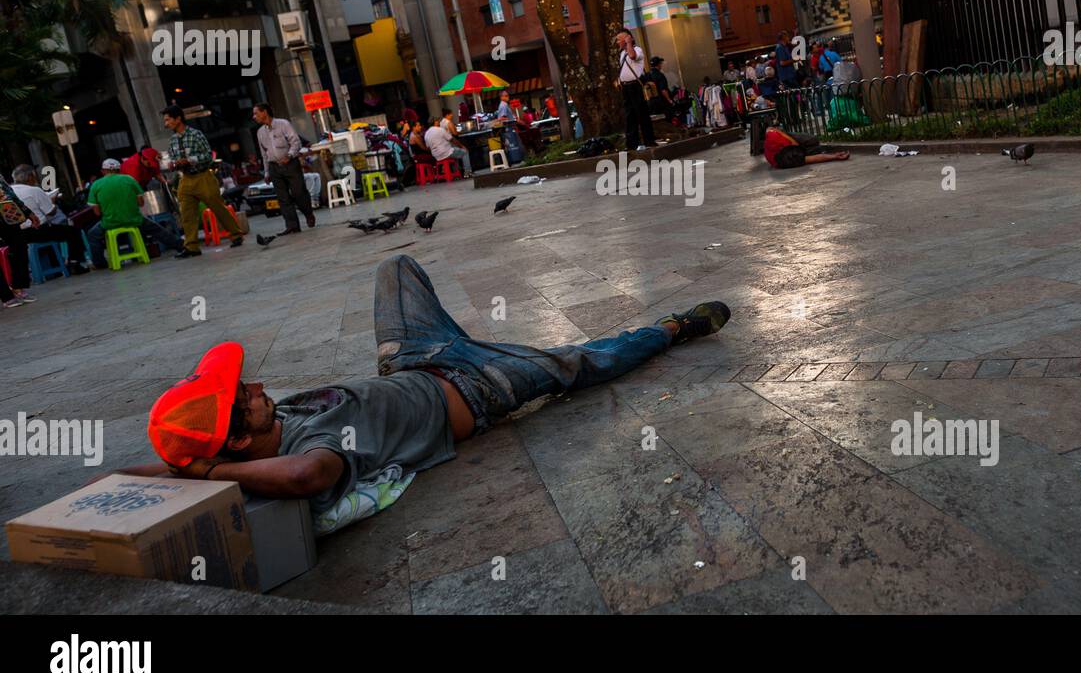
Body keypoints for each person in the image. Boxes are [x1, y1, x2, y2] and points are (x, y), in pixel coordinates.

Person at [121, 256, 731, 521]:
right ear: (233, 441)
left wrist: (184, 466)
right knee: (584, 361)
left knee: (395, 267)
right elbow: (308, 478)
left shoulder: (269, 427)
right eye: (244, 397)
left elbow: (140, 472)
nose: (256, 386)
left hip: (414, 358)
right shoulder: (307, 451)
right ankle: (673, 328)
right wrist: (208, 474)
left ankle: (451, 334)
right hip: (480, 386)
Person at [162, 105, 246, 259]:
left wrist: (189, 160)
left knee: (217, 207)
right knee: (186, 213)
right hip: (185, 178)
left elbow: (208, 156)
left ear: (178, 119)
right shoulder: (173, 140)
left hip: (203, 176)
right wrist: (173, 164)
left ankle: (236, 235)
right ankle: (191, 246)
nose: (166, 124)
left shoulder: (196, 134)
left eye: (168, 120)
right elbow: (172, 158)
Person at [86, 158, 185, 267]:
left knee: (92, 235)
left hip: (110, 222)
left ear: (103, 171)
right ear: (119, 170)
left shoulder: (96, 185)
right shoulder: (129, 179)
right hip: (134, 219)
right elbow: (141, 203)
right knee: (157, 229)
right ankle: (180, 245)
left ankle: (100, 264)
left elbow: (97, 213)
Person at [8, 165, 90, 274]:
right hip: (38, 231)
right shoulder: (34, 190)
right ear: (29, 177)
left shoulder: (8, 191)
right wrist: (52, 201)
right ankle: (74, 263)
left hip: (18, 235)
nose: (36, 179)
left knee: (53, 231)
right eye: (34, 176)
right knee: (73, 232)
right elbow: (51, 212)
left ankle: (55, 266)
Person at [253, 102, 315, 236]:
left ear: (264, 112)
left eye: (256, 113)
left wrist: (289, 155)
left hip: (290, 164)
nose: (254, 117)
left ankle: (308, 213)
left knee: (299, 193)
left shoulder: (283, 124)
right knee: (283, 198)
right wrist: (267, 172)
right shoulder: (260, 132)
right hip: (274, 167)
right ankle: (292, 226)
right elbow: (264, 154)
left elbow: (296, 142)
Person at [0, 176, 41, 307]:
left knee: (20, 248)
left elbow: (10, 193)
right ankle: (5, 296)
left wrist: (28, 213)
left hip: (7, 214)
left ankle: (19, 287)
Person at [615, 28, 656, 151]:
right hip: (626, 87)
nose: (617, 42)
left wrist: (629, 43)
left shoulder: (637, 50)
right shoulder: (622, 54)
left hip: (635, 86)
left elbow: (633, 56)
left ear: (627, 39)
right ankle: (632, 143)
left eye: (619, 39)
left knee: (642, 114)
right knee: (630, 115)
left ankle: (649, 140)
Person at [762, 126, 850, 170]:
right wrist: (834, 156)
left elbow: (769, 128)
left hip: (785, 139)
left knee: (813, 139)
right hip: (788, 154)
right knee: (818, 149)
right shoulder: (789, 159)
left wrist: (793, 141)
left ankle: (802, 145)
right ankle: (813, 150)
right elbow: (814, 158)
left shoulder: (774, 135)